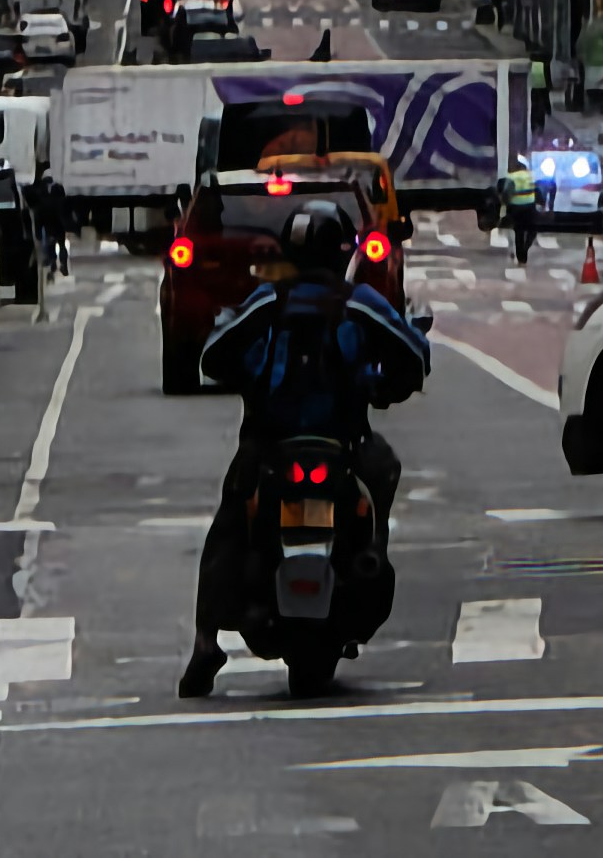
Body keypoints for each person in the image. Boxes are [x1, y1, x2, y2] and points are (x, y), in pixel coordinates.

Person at [183, 188, 433, 699]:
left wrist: (248, 377)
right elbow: (413, 353)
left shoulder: (268, 301)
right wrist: (388, 385)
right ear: (344, 251)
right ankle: (369, 554)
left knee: (228, 523)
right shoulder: (358, 303)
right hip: (344, 445)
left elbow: (213, 355)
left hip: (270, 447)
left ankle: (206, 644)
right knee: (383, 472)